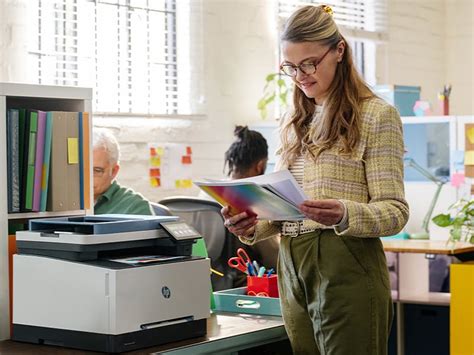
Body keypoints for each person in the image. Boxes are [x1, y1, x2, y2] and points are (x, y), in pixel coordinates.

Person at [221, 5, 409, 355]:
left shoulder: (376, 116)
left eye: (309, 63)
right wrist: (249, 223)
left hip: (347, 262)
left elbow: (395, 211)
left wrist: (343, 213)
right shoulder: (293, 119)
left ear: (339, 50)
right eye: (290, 67)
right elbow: (284, 211)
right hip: (292, 263)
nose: (300, 75)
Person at [200, 125, 280, 286]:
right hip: (243, 284)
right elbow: (274, 259)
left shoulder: (207, 193)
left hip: (206, 279)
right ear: (260, 165)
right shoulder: (252, 200)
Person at [93, 128, 154, 215]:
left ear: (114, 171)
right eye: (78, 170)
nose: (84, 178)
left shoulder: (134, 207)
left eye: (96, 171)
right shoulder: (67, 202)